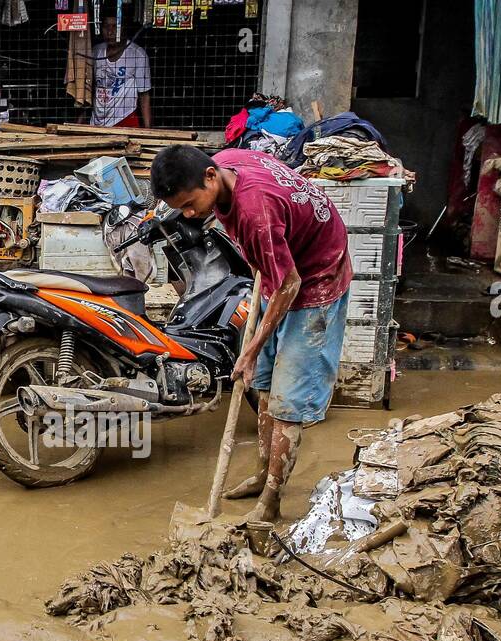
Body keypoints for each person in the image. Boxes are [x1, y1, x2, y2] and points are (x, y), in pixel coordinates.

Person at [150, 145, 352, 522]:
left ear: (211, 177)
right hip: (284, 260)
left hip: (316, 275)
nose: (190, 215)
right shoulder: (225, 162)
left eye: (191, 204)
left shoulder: (256, 215)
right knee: (259, 381)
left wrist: (253, 345)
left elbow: (289, 285)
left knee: (288, 398)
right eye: (182, 210)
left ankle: (271, 502)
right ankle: (262, 474)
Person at [90, 14, 152, 129]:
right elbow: (89, 89)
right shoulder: (95, 52)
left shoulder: (137, 54)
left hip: (125, 120)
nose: (110, 32)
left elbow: (144, 96)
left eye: (115, 26)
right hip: (96, 121)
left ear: (124, 28)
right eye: (106, 26)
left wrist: (148, 130)